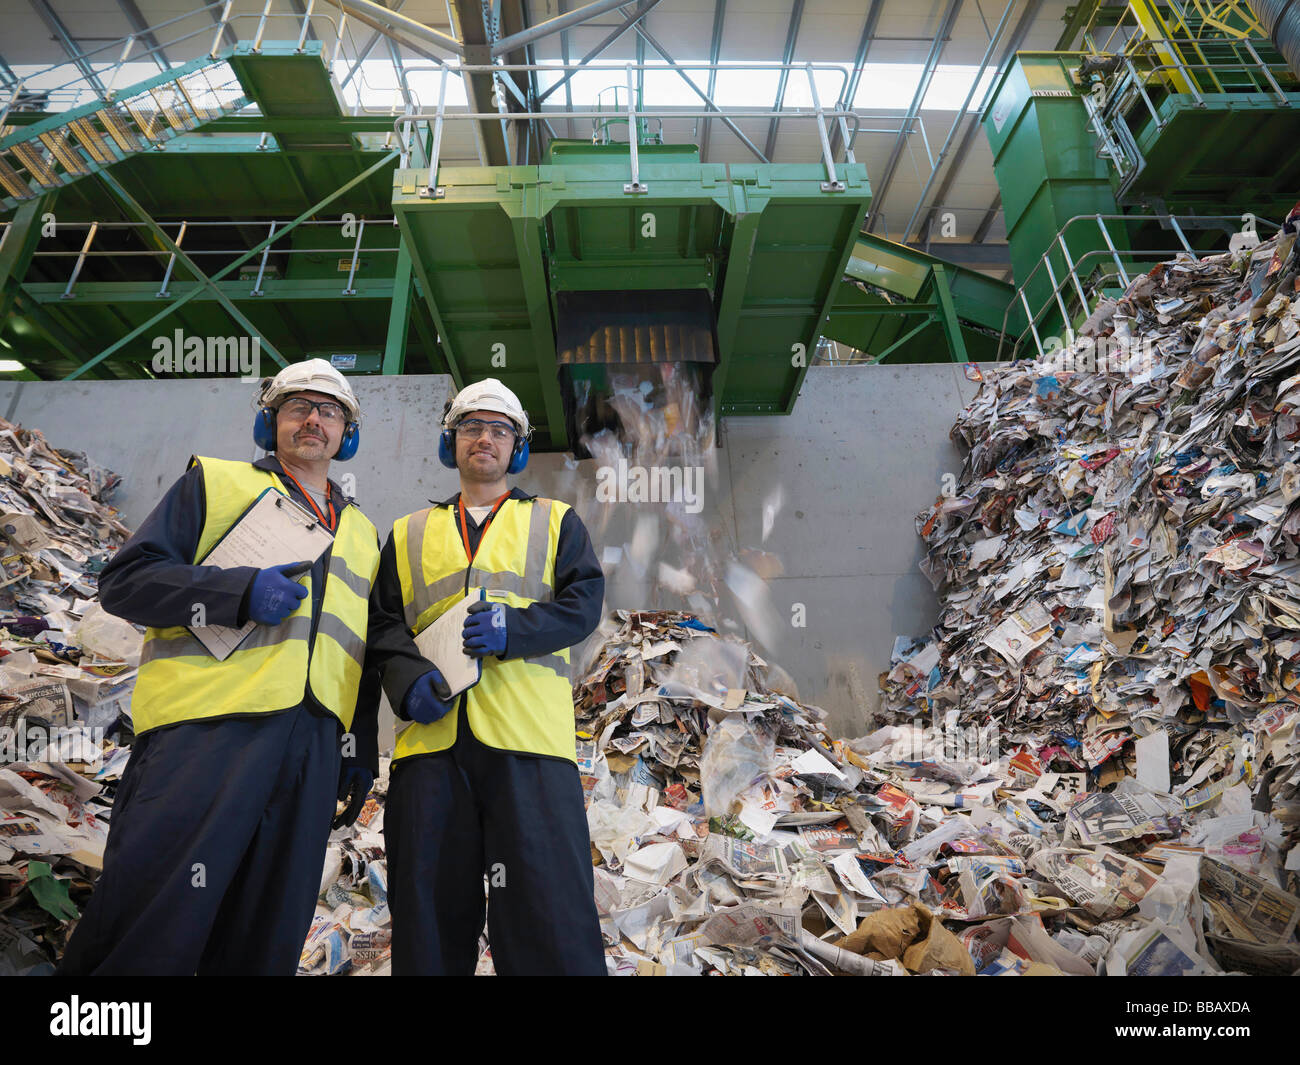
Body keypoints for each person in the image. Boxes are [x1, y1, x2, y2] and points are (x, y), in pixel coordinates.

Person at [59, 359, 381, 976]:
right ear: (271, 422)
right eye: (297, 407)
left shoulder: (365, 532)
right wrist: (234, 593)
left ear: (348, 434)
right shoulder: (215, 484)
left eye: (330, 410)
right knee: (158, 911)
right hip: (207, 731)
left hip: (311, 748)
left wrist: (356, 748)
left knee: (269, 925)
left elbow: (360, 651)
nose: (314, 419)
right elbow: (125, 583)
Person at [367, 377, 607, 975]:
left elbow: (583, 605)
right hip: (430, 747)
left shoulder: (556, 521)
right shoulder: (407, 533)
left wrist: (516, 631)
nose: (484, 438)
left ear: (517, 449)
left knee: (548, 912)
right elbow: (381, 626)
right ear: (452, 443)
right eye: (471, 427)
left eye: (499, 429)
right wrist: (404, 679)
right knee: (428, 917)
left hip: (529, 745)